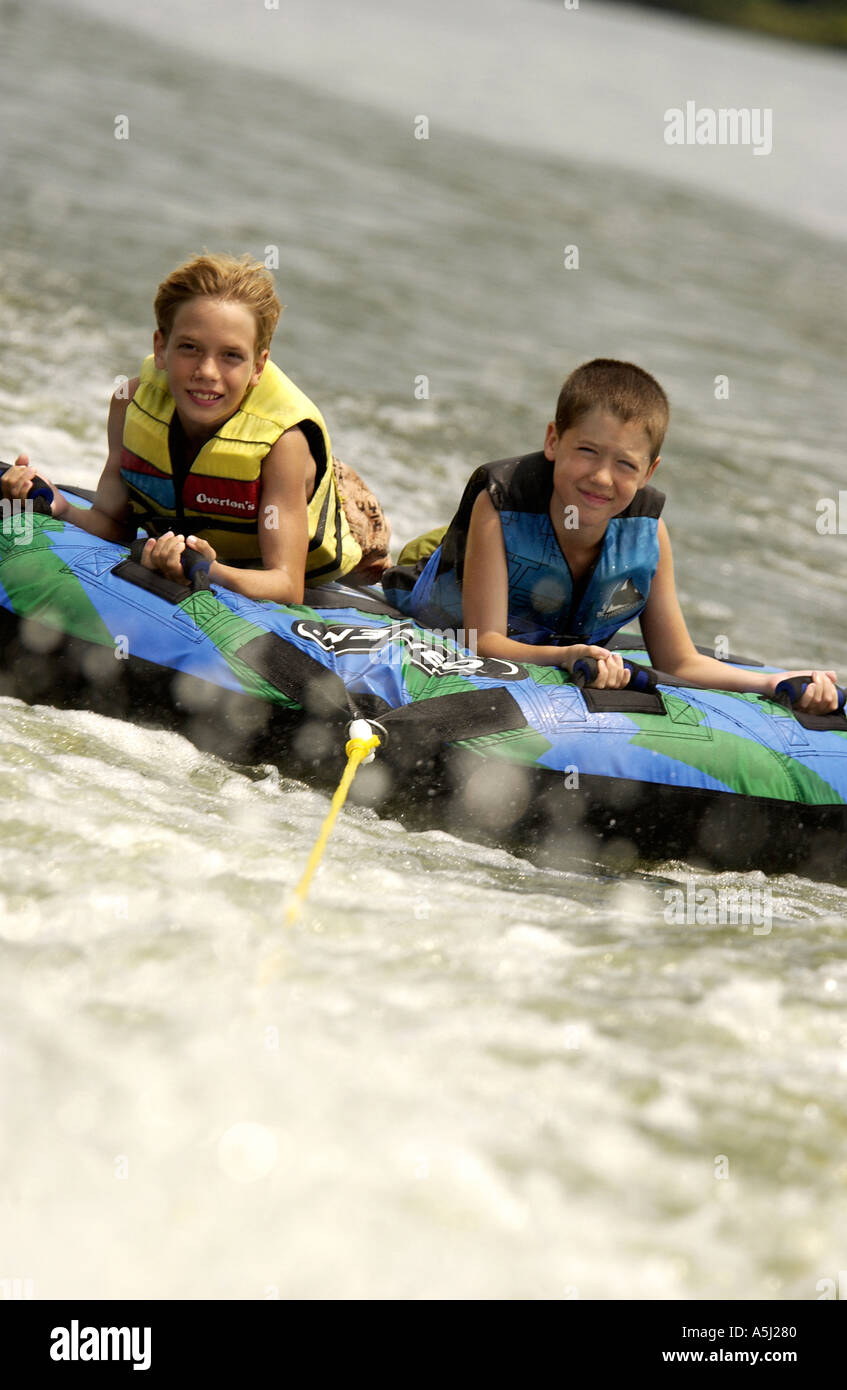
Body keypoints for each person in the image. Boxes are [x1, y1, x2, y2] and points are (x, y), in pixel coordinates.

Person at [383, 358, 838, 713]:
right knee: (430, 552)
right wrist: (562, 658)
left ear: (649, 472)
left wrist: (771, 682)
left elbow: (677, 661)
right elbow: (482, 643)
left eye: (625, 464)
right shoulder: (501, 503)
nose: (601, 477)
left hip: (555, 632)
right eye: (586, 451)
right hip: (439, 583)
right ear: (553, 441)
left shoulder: (649, 532)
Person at [1, 252, 391, 601]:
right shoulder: (129, 402)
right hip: (213, 509)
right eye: (189, 347)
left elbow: (286, 585)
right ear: (160, 347)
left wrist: (203, 567)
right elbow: (113, 523)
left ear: (258, 366)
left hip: (349, 519)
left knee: (376, 563)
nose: (207, 372)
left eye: (231, 356)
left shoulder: (282, 442)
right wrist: (56, 503)